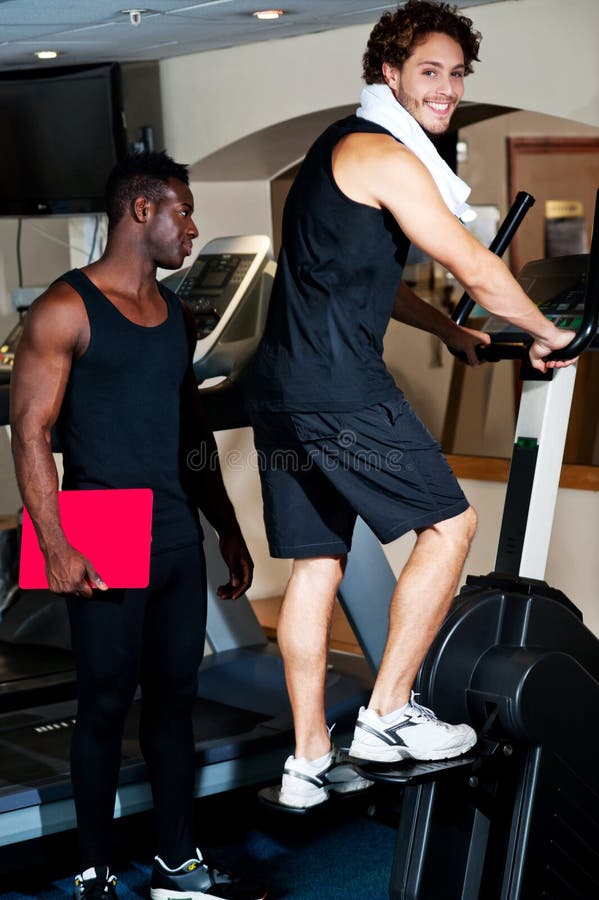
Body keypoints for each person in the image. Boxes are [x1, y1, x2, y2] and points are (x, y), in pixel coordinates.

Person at [245, 0, 576, 811]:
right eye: (428, 71)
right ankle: (388, 713)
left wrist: (450, 334)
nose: (446, 87)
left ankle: (307, 761)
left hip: (282, 392)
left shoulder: (337, 149)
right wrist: (546, 330)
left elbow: (372, 280)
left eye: (456, 73)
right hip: (337, 389)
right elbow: (471, 263)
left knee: (316, 564)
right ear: (387, 73)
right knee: (452, 525)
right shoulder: (382, 154)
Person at [10, 152, 265, 900]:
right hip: (97, 526)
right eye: (182, 210)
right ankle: (91, 870)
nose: (192, 225)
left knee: (175, 701)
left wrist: (224, 523)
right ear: (142, 211)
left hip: (174, 529)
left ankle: (175, 863)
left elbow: (190, 430)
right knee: (103, 704)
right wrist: (54, 546)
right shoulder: (65, 308)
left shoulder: (176, 315)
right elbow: (30, 432)